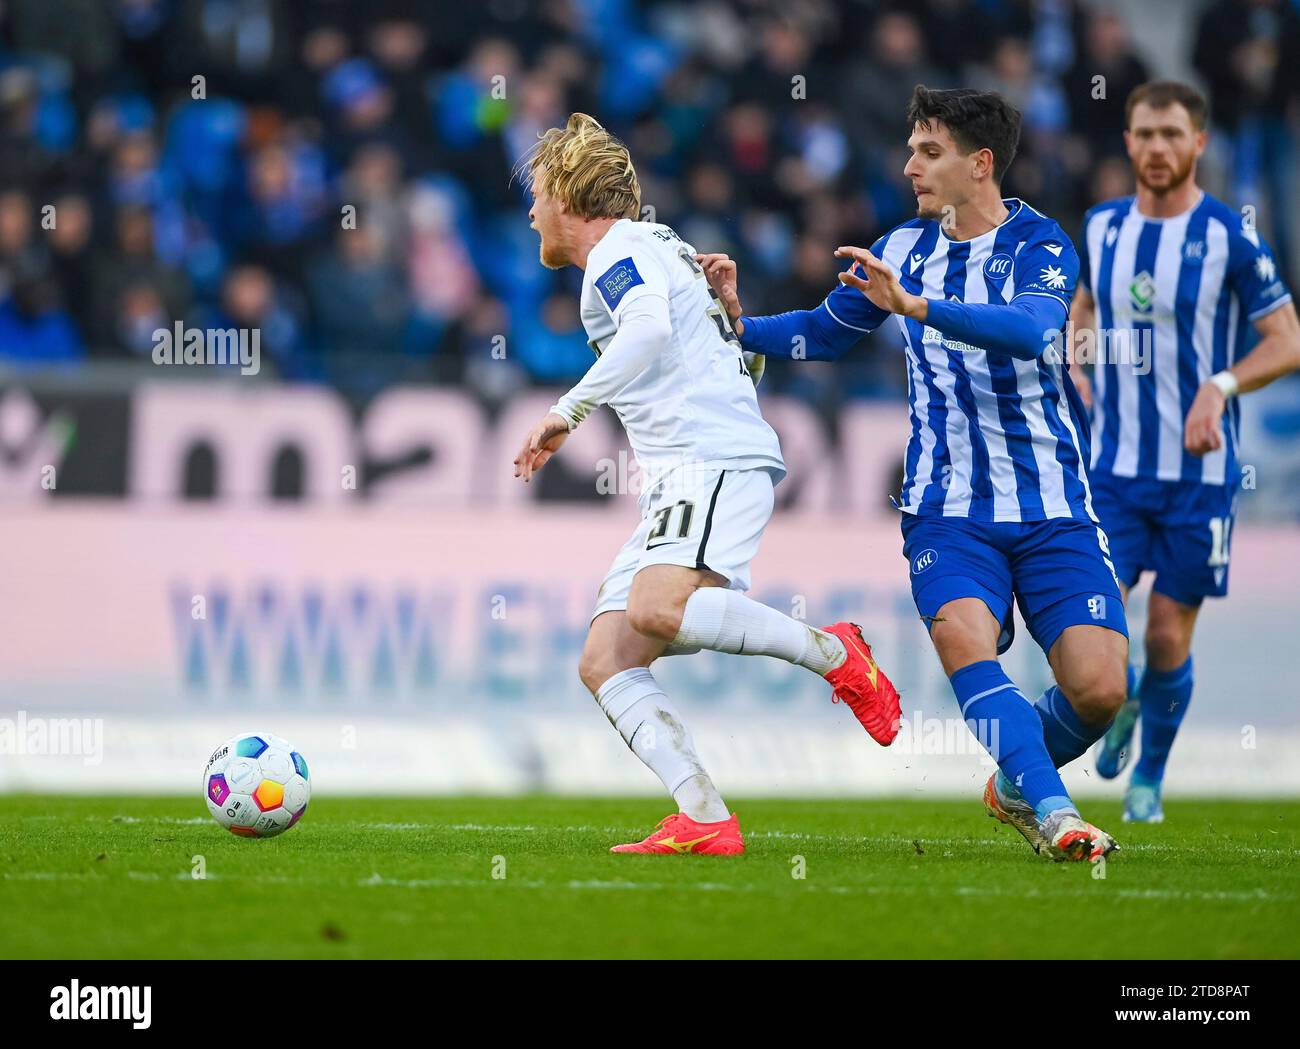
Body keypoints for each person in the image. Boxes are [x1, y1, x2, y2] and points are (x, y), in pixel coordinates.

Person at [697, 87, 1125, 862]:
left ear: (980, 163)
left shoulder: (1042, 244)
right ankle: (1060, 815)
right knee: (966, 638)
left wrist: (918, 307)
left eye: (929, 152)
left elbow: (1030, 332)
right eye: (911, 149)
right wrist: (738, 319)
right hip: (945, 508)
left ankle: (1019, 784)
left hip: (1054, 502)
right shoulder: (900, 249)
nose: (910, 166)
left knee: (1099, 689)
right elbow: (822, 337)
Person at [511, 113, 900, 855]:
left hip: (708, 461)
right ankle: (705, 815)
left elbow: (651, 333)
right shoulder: (666, 246)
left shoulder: (618, 253)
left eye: (537, 194)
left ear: (567, 192)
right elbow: (729, 365)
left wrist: (566, 413)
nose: (531, 212)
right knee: (606, 657)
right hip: (696, 468)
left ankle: (837, 653)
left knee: (659, 610)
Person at [1072, 81, 1300, 822]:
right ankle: (1123, 695)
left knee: (1169, 631)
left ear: (1198, 143)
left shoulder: (1232, 235)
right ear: (1129, 141)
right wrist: (1078, 355)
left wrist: (1222, 385)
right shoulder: (1102, 227)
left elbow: (1287, 340)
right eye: (1143, 134)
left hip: (1199, 477)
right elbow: (1084, 310)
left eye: (1172, 134)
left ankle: (1149, 779)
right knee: (1096, 621)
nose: (1156, 148)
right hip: (1112, 470)